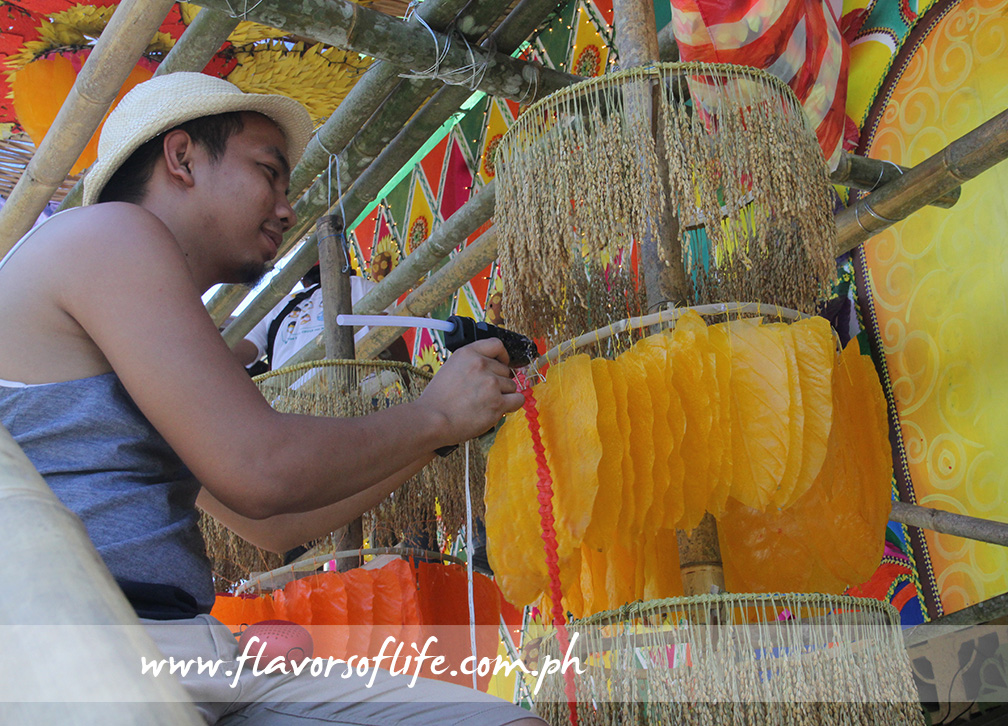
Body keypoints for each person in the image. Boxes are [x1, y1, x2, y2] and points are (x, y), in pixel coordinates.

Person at [0, 73, 540, 724]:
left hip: (178, 651)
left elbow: (275, 527)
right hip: (94, 653)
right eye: (268, 173)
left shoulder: (126, 302)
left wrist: (440, 430)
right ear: (181, 158)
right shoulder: (108, 233)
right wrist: (434, 412)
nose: (286, 208)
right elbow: (262, 474)